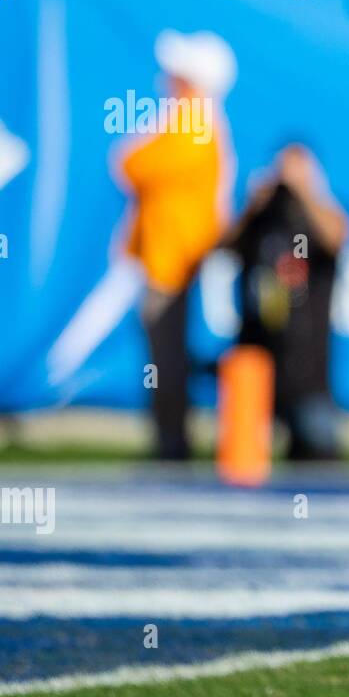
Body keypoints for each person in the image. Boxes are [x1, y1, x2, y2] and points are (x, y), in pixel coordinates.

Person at [116, 29, 236, 460]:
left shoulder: (194, 123)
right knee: (165, 352)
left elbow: (133, 163)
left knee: (166, 354)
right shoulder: (191, 120)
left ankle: (173, 442)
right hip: (166, 258)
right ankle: (171, 437)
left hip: (173, 261)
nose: (167, 82)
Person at [222, 144, 349, 461]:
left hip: (308, 372)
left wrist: (305, 190)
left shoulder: (318, 216)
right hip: (259, 366)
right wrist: (254, 204)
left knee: (320, 460)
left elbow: (338, 236)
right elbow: (225, 246)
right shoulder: (263, 218)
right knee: (244, 465)